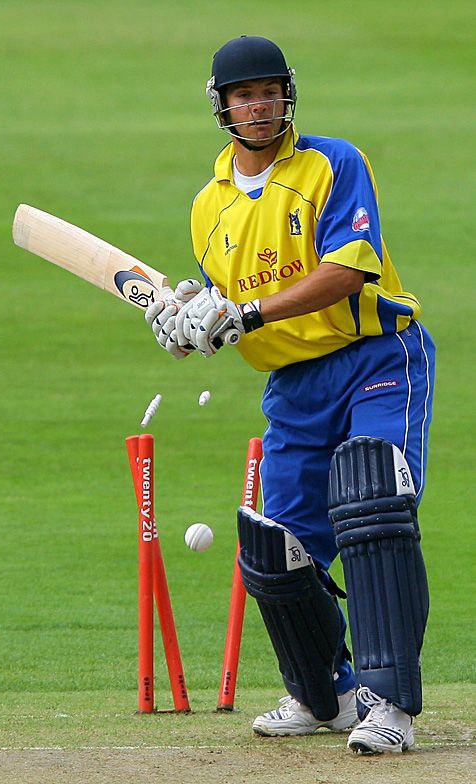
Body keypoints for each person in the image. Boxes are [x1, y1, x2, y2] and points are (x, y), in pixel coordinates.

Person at [146, 35, 435, 755]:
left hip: (375, 356)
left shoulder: (331, 163)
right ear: (222, 106)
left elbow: (347, 271)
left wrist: (244, 315)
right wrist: (187, 325)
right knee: (278, 548)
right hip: (294, 384)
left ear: (288, 95)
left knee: (375, 502)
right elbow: (221, 305)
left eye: (269, 92)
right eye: (244, 95)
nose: (259, 105)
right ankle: (323, 693)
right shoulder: (208, 206)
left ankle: (390, 704)